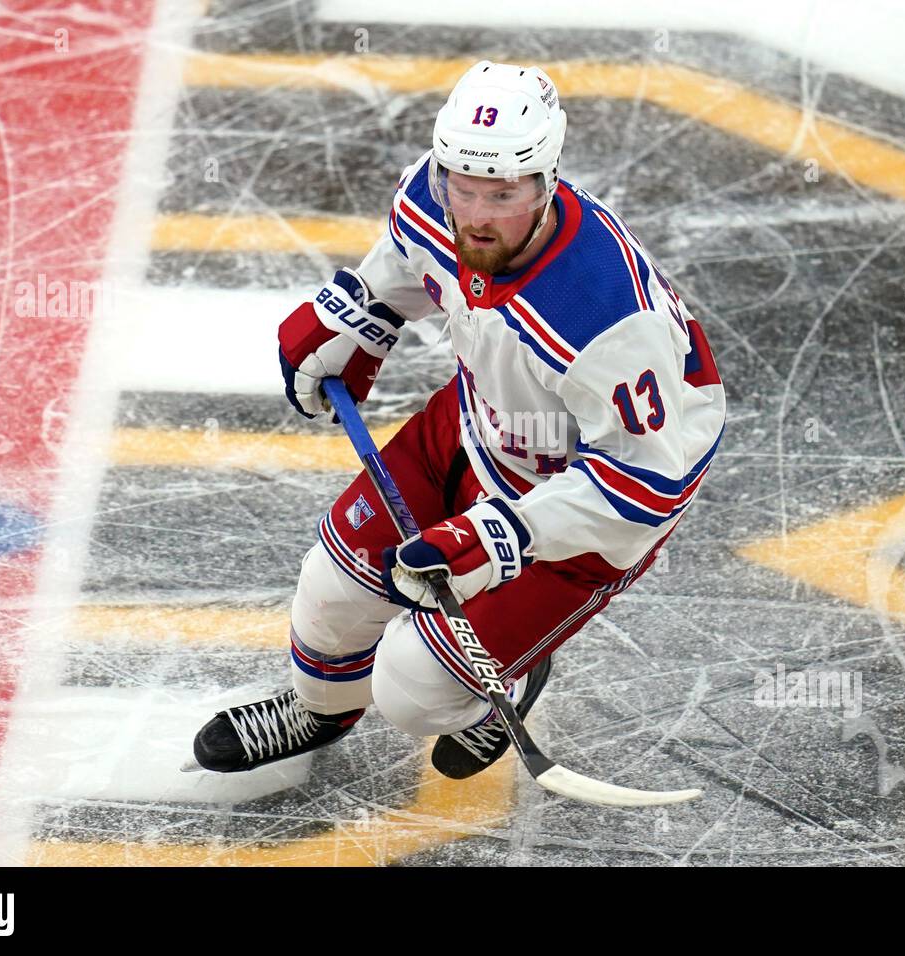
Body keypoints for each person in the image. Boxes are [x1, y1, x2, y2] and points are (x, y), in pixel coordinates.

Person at [192, 60, 725, 781]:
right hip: (476, 424)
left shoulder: (606, 316)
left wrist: (500, 536)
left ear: (546, 180)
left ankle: (499, 684)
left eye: (501, 194)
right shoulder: (430, 195)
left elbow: (651, 485)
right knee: (332, 586)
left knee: (414, 688)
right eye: (463, 188)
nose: (474, 216)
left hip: (583, 502)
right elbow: (403, 271)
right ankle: (319, 708)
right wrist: (353, 323)